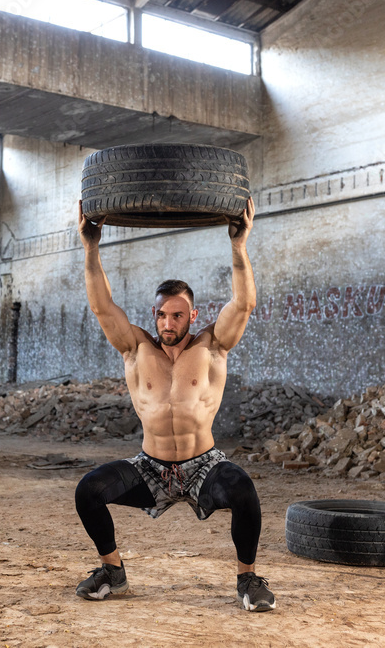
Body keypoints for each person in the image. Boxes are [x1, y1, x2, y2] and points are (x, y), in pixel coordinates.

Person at [73, 197, 275, 612]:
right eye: (163, 315)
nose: (169, 323)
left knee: (244, 492)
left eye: (178, 316)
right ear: (155, 314)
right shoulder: (135, 348)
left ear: (192, 314)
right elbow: (102, 306)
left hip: (204, 463)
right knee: (87, 490)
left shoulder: (213, 346)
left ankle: (248, 579)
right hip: (150, 465)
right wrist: (91, 249)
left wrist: (239, 247)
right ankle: (113, 572)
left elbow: (244, 304)